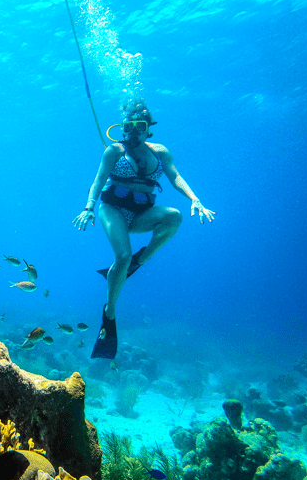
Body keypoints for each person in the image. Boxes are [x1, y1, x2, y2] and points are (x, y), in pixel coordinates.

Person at [72, 100, 216, 359]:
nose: (134, 131)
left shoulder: (160, 152)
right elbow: (99, 180)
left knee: (174, 216)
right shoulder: (114, 151)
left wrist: (195, 199)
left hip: (141, 214)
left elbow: (175, 178)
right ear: (123, 128)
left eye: (140, 126)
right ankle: (110, 313)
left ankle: (141, 260)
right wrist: (88, 207)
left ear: (149, 129)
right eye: (129, 126)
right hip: (112, 209)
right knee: (122, 257)